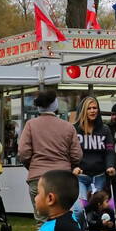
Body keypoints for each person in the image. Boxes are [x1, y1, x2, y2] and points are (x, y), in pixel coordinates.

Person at [18, 89, 83, 219]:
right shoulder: (68, 127)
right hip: (62, 178)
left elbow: (23, 153)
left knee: (41, 220)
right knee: (62, 218)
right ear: (55, 105)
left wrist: (33, 166)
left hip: (38, 177)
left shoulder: (30, 125)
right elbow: (77, 155)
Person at [72, 95, 116, 205]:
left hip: (99, 176)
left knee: (97, 208)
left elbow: (109, 151)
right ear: (83, 110)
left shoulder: (105, 129)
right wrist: (73, 167)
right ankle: (80, 223)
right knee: (80, 209)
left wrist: (110, 166)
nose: (92, 111)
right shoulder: (74, 129)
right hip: (81, 177)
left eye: (95, 108)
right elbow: (68, 152)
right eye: (89, 108)